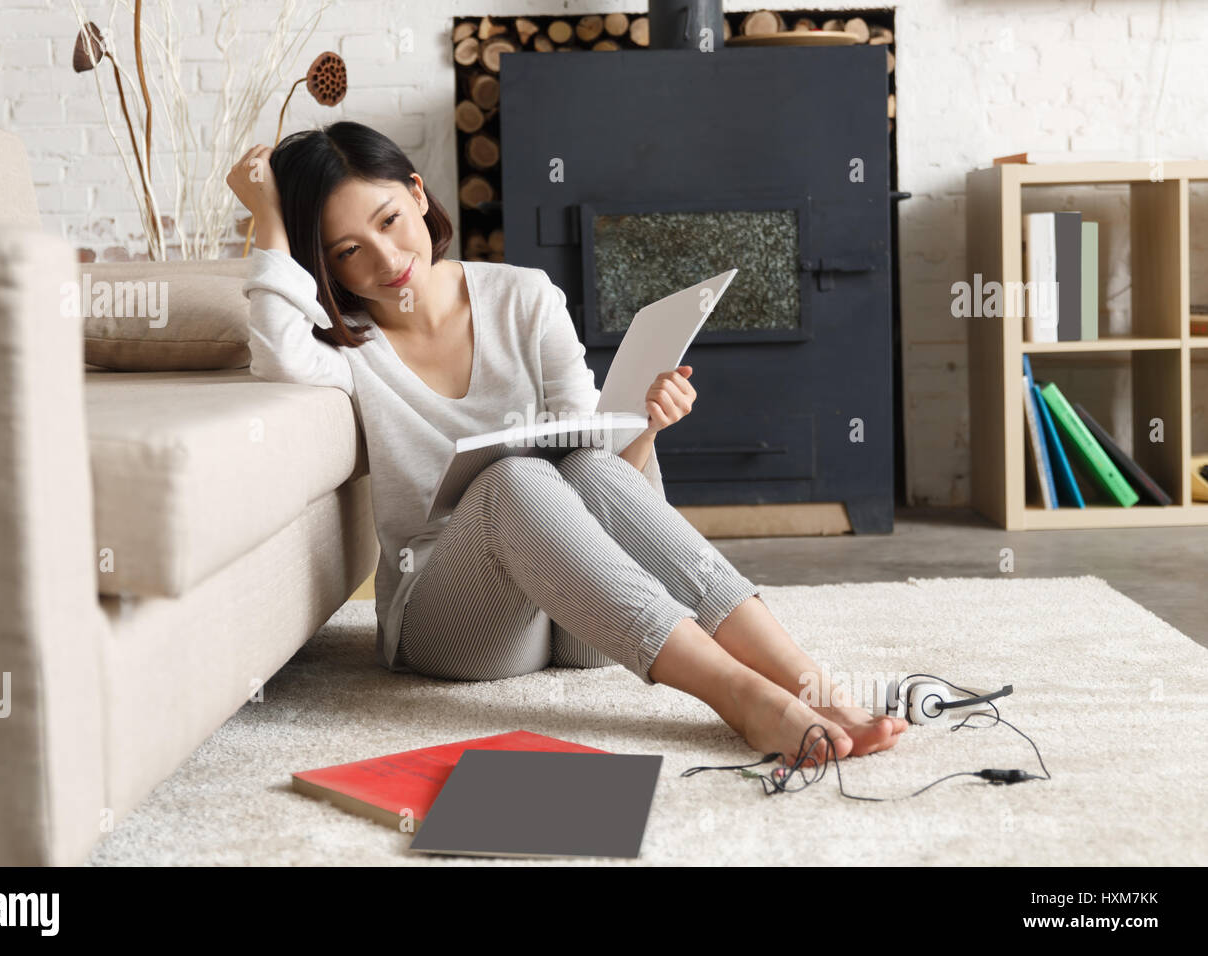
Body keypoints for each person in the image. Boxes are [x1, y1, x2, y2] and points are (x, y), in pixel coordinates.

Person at [226, 121, 904, 768]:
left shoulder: (524, 298)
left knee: (584, 463)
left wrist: (646, 428)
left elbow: (604, 470)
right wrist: (270, 216)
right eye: (347, 251)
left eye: (388, 221)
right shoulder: (349, 348)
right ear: (325, 264)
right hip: (462, 629)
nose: (386, 259)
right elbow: (275, 354)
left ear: (418, 194)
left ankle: (815, 687)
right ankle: (744, 698)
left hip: (589, 620)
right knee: (512, 479)